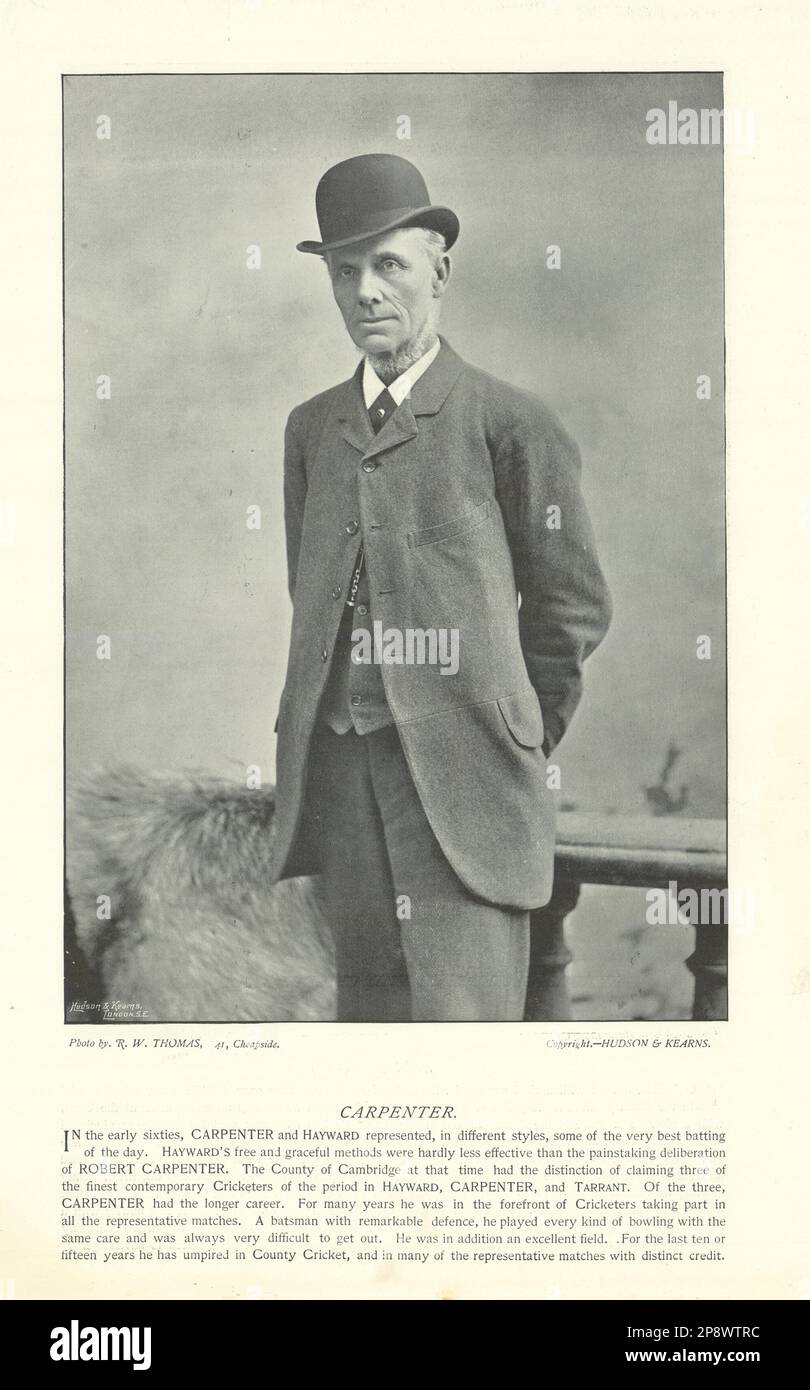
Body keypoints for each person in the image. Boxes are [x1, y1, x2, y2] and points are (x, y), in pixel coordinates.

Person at [269, 152, 612, 1022]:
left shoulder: (510, 423)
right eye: (345, 273)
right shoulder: (311, 430)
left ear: (440, 271)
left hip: (467, 794)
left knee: (465, 1046)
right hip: (343, 778)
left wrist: (507, 737)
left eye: (390, 265)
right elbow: (306, 598)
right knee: (370, 1033)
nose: (365, 293)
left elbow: (571, 608)